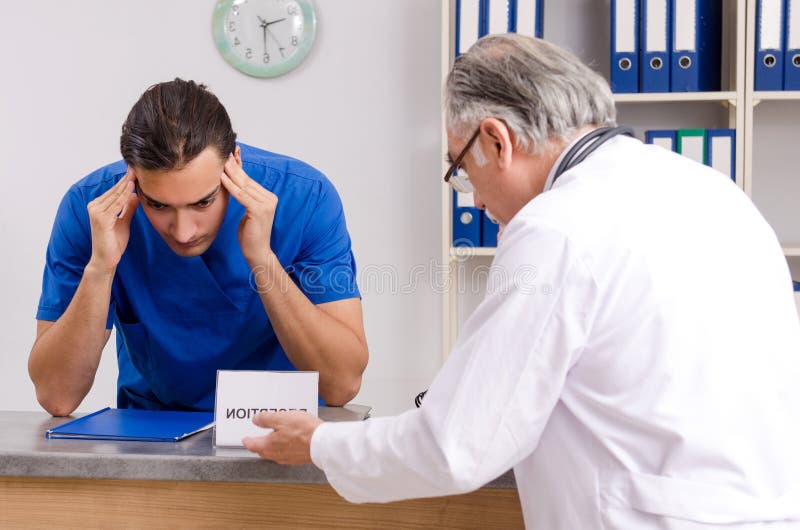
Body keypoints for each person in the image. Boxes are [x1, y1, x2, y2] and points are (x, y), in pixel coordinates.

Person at [241, 34, 800, 528]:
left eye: (462, 170)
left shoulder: (558, 225)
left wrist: (320, 442)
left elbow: (456, 447)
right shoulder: (712, 190)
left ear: (497, 140)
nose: (478, 201)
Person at [30, 79, 368, 416]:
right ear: (132, 176)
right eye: (158, 205)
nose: (183, 231)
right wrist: (100, 270)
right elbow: (57, 395)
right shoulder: (89, 211)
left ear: (233, 163)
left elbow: (341, 384)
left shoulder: (305, 198)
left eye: (203, 202)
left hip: (286, 427)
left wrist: (263, 259)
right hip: (153, 431)